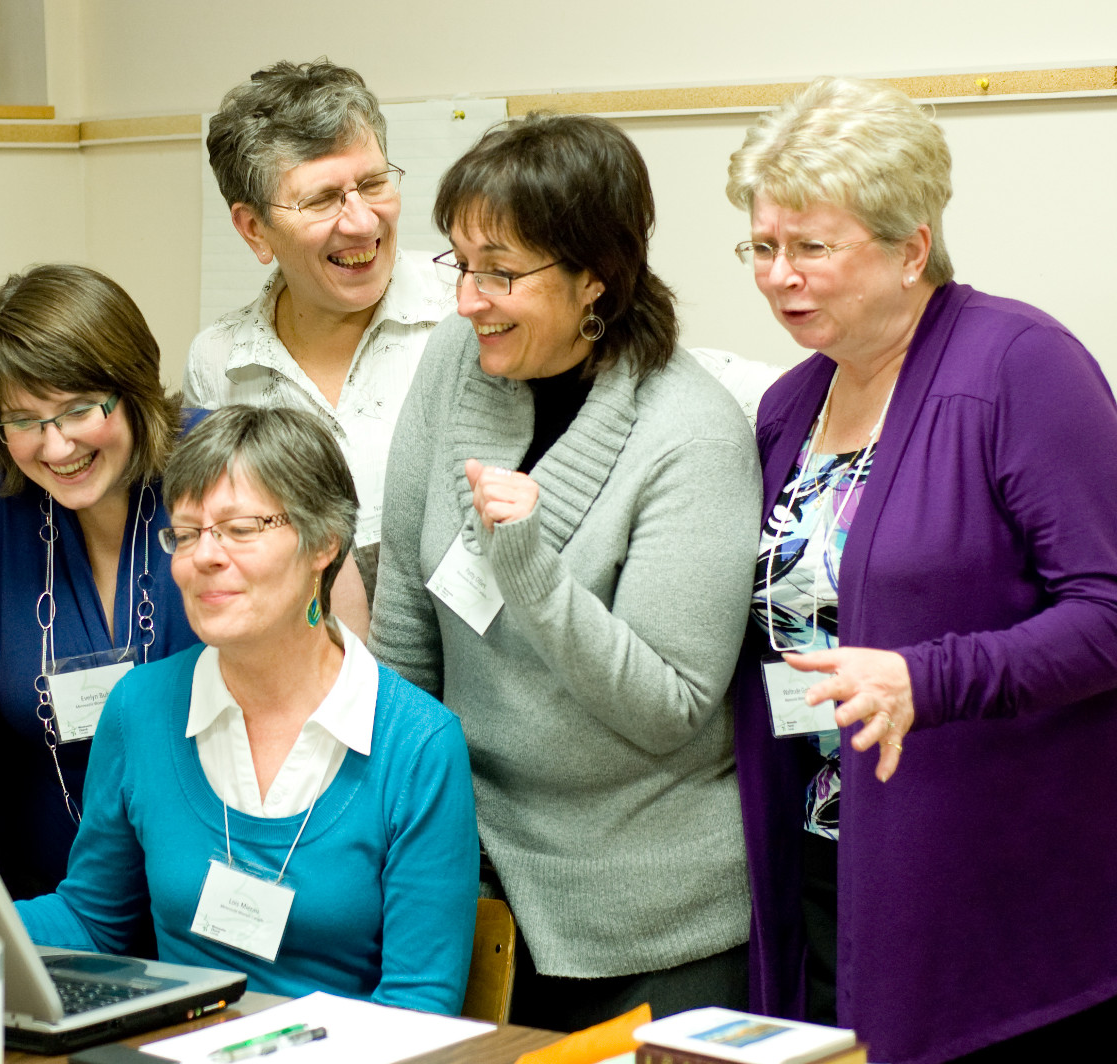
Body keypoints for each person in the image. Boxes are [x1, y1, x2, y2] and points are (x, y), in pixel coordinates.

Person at [727, 76, 1117, 1064]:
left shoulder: (1019, 364)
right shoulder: (789, 405)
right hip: (842, 866)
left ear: (908, 246)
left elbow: (1116, 617)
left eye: (810, 247)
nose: (777, 276)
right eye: (762, 246)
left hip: (1015, 902)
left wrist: (926, 676)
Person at [370, 113, 761, 1030]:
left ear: (597, 279)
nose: (469, 300)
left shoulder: (690, 435)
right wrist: (397, 831)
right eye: (459, 264)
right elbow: (401, 621)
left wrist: (533, 572)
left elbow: (669, 706)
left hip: (647, 911)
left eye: (501, 273)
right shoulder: (450, 363)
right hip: (467, 876)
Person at [16, 405, 479, 1014]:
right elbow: (94, 919)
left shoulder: (416, 744)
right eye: (186, 533)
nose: (203, 556)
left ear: (324, 543)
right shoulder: (141, 707)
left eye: (239, 529)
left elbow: (419, 1004)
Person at [0, 264, 203, 900]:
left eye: (79, 409)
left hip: (212, 892)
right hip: (50, 899)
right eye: (23, 421)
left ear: (133, 387)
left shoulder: (224, 469)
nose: (56, 448)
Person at [185, 59, 456, 635]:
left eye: (374, 184)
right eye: (322, 199)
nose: (361, 222)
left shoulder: (466, 313)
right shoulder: (221, 364)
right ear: (253, 228)